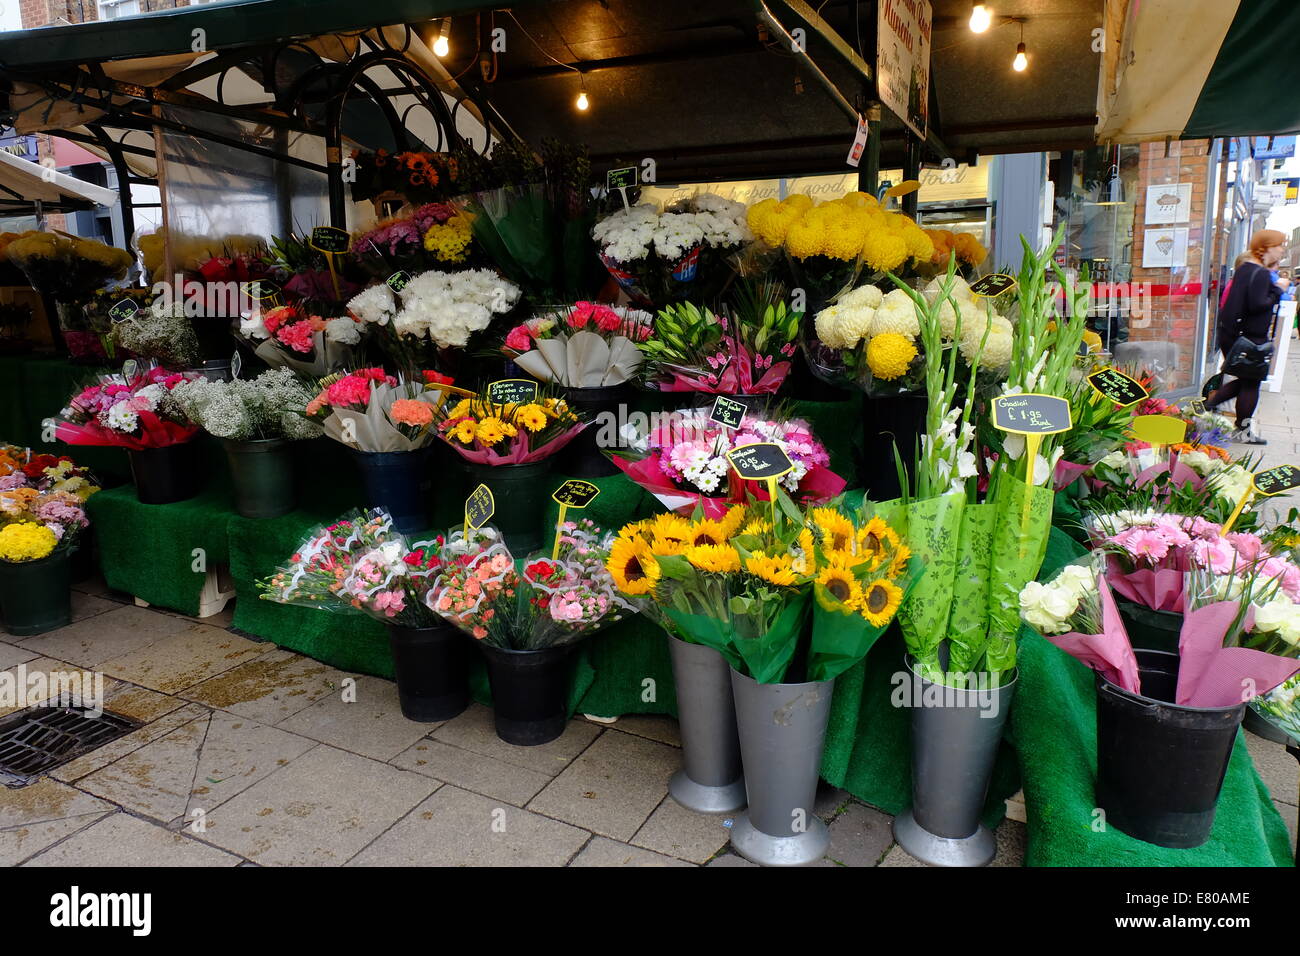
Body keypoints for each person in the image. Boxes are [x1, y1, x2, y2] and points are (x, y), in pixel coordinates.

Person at [1206, 229, 1290, 444]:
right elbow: (1258, 304)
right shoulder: (1260, 273)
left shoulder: (1245, 270)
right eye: (1279, 245)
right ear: (1266, 246)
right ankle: (1241, 430)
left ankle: (1212, 404)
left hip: (1235, 335)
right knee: (1251, 383)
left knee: (1247, 380)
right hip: (1251, 338)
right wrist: (1279, 289)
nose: (1282, 250)